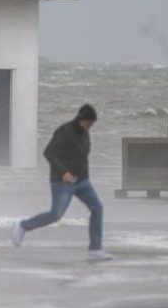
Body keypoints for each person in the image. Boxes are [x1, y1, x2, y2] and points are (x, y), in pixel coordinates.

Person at [11, 104, 112, 262]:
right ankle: (23, 225)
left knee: (97, 208)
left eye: (92, 123)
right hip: (62, 182)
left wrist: (83, 174)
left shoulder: (84, 132)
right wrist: (63, 172)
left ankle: (95, 249)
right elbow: (49, 152)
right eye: (88, 122)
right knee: (55, 215)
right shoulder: (65, 131)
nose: (90, 126)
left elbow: (81, 156)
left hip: (82, 181)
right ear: (81, 119)